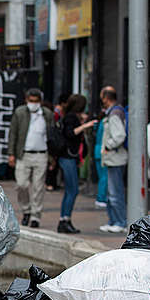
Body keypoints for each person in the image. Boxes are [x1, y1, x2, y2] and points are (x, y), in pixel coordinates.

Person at [7, 88, 49, 229]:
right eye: (31, 101)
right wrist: (11, 153)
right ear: (26, 100)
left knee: (38, 186)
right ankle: (26, 210)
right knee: (22, 184)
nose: (34, 104)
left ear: (40, 102)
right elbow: (13, 133)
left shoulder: (47, 114)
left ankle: (36, 216)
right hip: (23, 154)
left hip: (42, 154)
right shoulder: (20, 113)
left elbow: (52, 134)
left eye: (36, 101)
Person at [56, 95, 94, 235]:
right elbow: (70, 133)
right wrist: (84, 126)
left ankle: (65, 219)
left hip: (69, 158)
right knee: (72, 190)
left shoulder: (70, 117)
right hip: (68, 157)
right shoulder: (71, 118)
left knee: (70, 190)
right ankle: (64, 220)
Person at [98, 86, 128, 234]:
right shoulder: (114, 112)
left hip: (115, 158)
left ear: (106, 98)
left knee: (115, 192)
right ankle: (113, 221)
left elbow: (119, 135)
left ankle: (120, 221)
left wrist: (108, 146)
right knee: (112, 192)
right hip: (112, 158)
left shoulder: (115, 114)